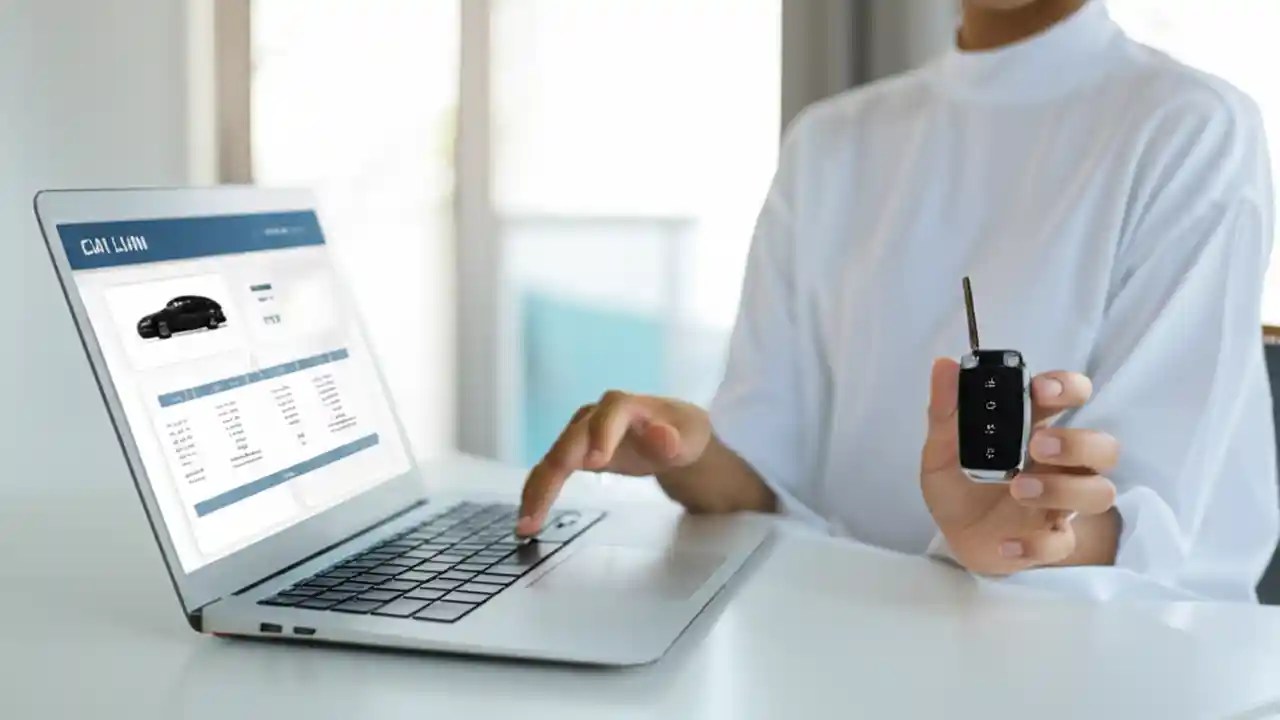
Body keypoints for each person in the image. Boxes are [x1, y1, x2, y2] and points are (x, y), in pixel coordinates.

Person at [516, 0, 1278, 600]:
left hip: (1108, 661)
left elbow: (1151, 534)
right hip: (852, 629)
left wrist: (1007, 540)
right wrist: (684, 450)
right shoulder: (830, 143)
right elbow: (764, 483)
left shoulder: (1190, 128)